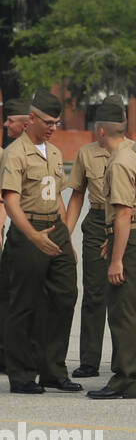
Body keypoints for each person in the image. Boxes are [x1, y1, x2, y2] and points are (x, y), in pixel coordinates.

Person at [1, 90, 81, 393]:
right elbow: (10, 200)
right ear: (31, 119)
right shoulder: (15, 152)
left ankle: (53, 369)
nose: (52, 128)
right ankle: (21, 374)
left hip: (54, 229)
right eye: (48, 122)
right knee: (23, 303)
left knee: (64, 296)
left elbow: (58, 197)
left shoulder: (56, 153)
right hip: (28, 230)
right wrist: (33, 236)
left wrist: (66, 238)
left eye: (57, 123)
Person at [85, 97, 136, 400]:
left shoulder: (117, 163)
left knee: (122, 314)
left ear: (101, 131)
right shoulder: (134, 157)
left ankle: (125, 379)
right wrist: (114, 239)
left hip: (130, 242)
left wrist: (117, 259)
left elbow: (124, 212)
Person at [64, 104, 113, 378]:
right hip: (96, 222)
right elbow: (77, 195)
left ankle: (125, 360)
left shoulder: (134, 150)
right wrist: (66, 234)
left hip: (126, 220)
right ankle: (89, 360)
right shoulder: (86, 153)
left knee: (127, 296)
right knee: (94, 293)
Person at [0, 98, 32, 374]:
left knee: (12, 298)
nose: (5, 124)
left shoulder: (8, 154)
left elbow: (4, 201)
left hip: (21, 234)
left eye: (10, 120)